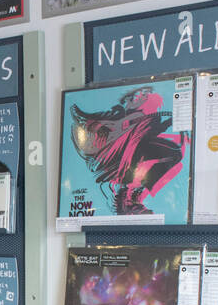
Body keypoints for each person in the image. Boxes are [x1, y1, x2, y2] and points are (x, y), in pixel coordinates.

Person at [69, 87, 188, 217]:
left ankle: (135, 194)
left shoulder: (150, 118)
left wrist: (169, 122)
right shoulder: (120, 114)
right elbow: (99, 125)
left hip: (137, 150)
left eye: (144, 94)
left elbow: (152, 131)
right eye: (136, 95)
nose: (139, 96)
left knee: (174, 155)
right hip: (122, 154)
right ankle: (126, 195)